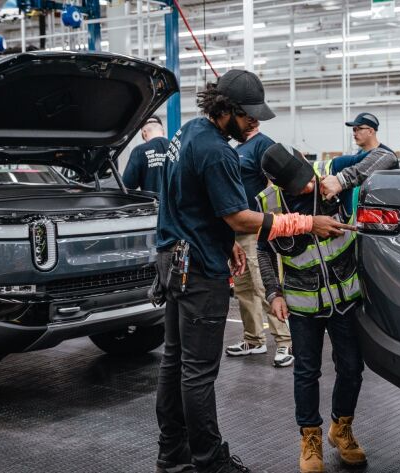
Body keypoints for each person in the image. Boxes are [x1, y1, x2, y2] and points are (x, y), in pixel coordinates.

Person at [154, 69, 355, 473]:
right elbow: (240, 217)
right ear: (226, 109)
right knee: (198, 374)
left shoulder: (187, 133)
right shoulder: (218, 151)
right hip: (198, 272)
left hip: (173, 260)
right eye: (248, 115)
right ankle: (211, 462)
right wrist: (305, 223)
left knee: (175, 364)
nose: (254, 123)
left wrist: (225, 243)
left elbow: (188, 201)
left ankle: (172, 456)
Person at [255, 143, 397, 473]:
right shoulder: (267, 204)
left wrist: (345, 179)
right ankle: (310, 438)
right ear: (278, 184)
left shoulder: (332, 174)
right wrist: (274, 293)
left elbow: (387, 156)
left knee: (351, 367)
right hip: (302, 304)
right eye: (299, 185)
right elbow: (264, 251)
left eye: (307, 177)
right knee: (306, 372)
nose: (308, 186)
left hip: (346, 298)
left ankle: (341, 428)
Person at [225, 123, 293, 368]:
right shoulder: (237, 148)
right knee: (243, 288)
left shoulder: (263, 144)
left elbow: (274, 185)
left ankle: (285, 341)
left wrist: (269, 224)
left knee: (263, 286)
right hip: (236, 230)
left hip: (256, 229)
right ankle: (253, 339)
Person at [319, 112, 396, 208]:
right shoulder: (358, 156)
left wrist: (340, 181)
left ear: (370, 131)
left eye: (358, 129)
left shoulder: (385, 155)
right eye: (353, 130)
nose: (354, 133)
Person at [122, 116, 169, 193]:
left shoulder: (139, 151)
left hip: (152, 200)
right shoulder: (177, 148)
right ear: (163, 131)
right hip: (177, 201)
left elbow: (128, 185)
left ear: (144, 133)